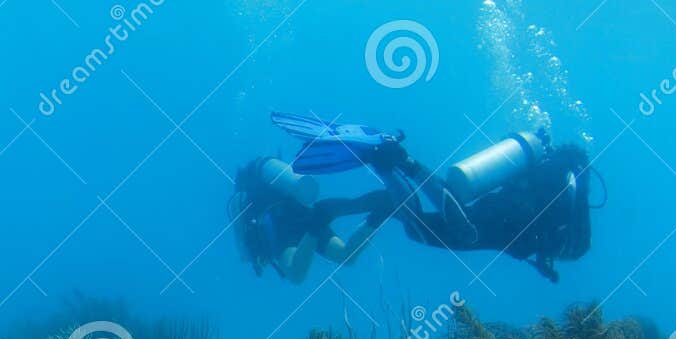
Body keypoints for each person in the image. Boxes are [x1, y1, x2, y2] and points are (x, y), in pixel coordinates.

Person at [270, 112, 597, 282]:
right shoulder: (571, 226)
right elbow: (569, 244)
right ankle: (388, 160)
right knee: (436, 230)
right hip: (513, 221)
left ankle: (397, 165)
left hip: (510, 213)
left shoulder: (562, 183)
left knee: (446, 208)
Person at [229, 154, 391, 282]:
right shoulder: (259, 193)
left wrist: (256, 258)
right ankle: (380, 214)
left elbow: (244, 247)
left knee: (295, 275)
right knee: (345, 256)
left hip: (281, 223)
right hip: (302, 210)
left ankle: (319, 221)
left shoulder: (240, 205)